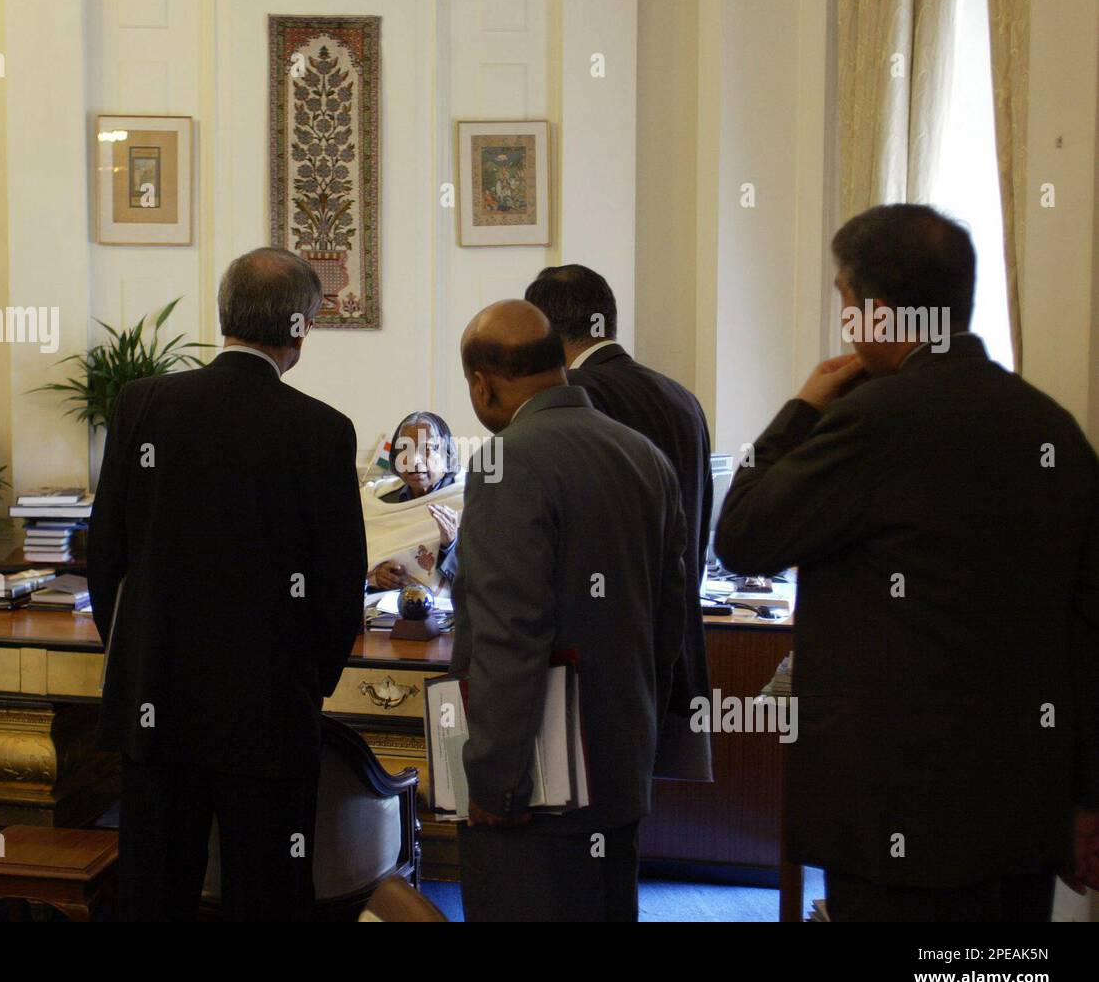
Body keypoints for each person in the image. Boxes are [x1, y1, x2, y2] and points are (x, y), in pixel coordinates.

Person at [715, 203, 1099, 921]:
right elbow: (1088, 626)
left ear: (880, 314)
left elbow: (743, 535)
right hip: (1022, 805)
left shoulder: (874, 420)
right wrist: (1086, 796)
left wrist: (800, 408)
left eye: (846, 302)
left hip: (896, 808)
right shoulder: (1051, 428)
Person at [88, 247, 367, 921]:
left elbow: (104, 555)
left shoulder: (141, 406)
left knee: (155, 894)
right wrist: (311, 682)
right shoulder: (321, 431)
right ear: (300, 328)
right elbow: (339, 587)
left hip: (156, 704)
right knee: (267, 895)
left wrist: (132, 654)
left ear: (223, 316)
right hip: (268, 715)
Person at [451, 299, 688, 921]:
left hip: (538, 781)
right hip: (620, 763)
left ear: (482, 383)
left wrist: (495, 780)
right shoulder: (645, 458)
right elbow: (669, 625)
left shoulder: (507, 462)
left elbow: (511, 637)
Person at [525, 263, 714, 780]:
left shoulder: (571, 397)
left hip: (594, 662)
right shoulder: (681, 398)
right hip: (672, 647)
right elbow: (697, 531)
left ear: (541, 329)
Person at [367, 411, 461, 589]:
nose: (414, 460)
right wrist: (375, 576)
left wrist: (451, 544)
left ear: (447, 455)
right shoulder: (375, 502)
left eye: (427, 449)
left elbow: (485, 576)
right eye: (405, 450)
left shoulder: (467, 498)